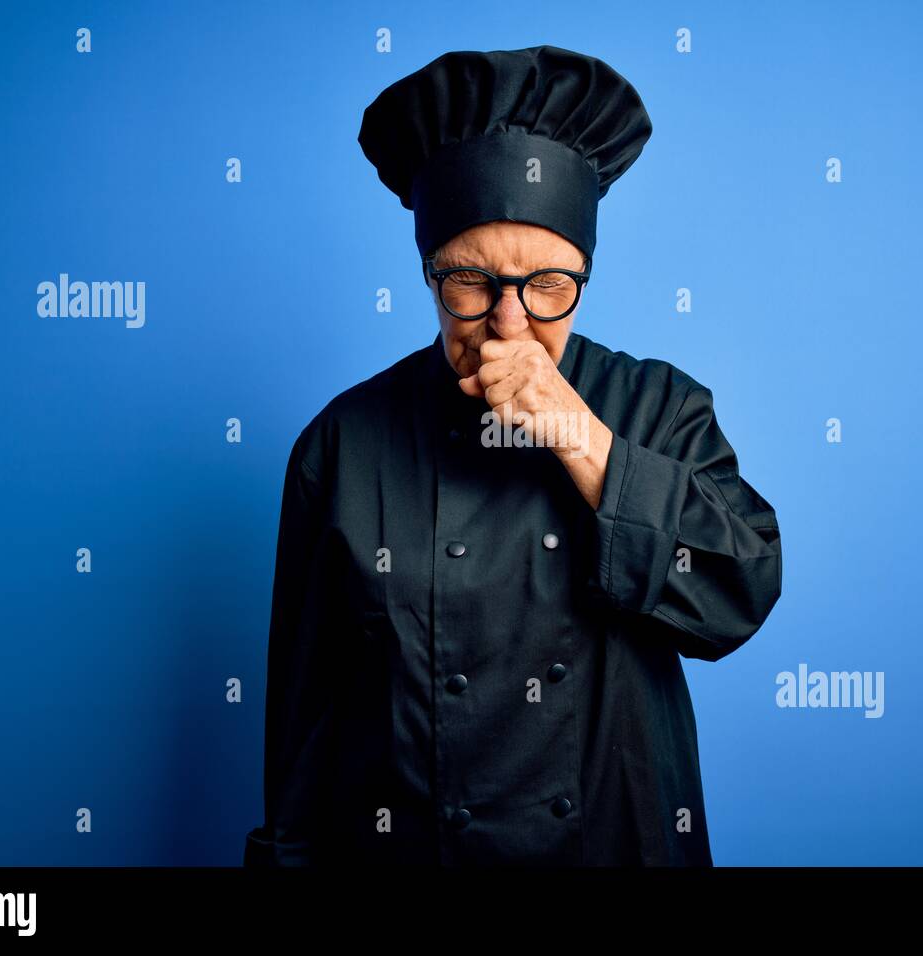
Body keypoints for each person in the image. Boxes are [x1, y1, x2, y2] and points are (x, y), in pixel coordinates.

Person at [243, 45, 782, 867]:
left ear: (583, 277)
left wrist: (581, 436)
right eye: (470, 282)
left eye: (548, 287)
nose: (508, 324)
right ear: (428, 276)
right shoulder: (343, 445)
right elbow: (305, 722)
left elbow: (739, 592)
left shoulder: (661, 408)